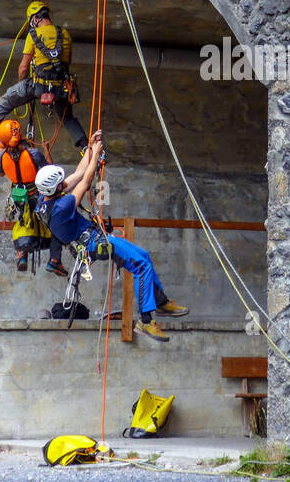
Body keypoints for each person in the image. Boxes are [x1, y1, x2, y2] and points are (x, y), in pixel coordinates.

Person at [33, 132, 187, 342]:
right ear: (56, 187)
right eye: (61, 184)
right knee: (141, 266)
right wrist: (96, 155)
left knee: (144, 256)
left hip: (90, 241)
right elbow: (85, 180)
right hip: (95, 244)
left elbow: (78, 173)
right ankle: (146, 321)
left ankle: (161, 302)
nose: (63, 184)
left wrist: (90, 147)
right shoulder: (62, 206)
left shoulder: (44, 200)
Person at [0, 0, 88, 157]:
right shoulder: (65, 34)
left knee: (4, 103)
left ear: (35, 18)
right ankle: (86, 148)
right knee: (68, 118)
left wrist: (21, 86)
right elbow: (67, 62)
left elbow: (24, 67)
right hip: (61, 88)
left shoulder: (34, 35)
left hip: (37, 86)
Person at [0, 119, 67, 277]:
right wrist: (46, 150)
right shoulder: (33, 153)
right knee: (54, 222)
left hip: (19, 197)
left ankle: (22, 257)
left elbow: (1, 173)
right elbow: (49, 171)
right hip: (37, 195)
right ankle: (55, 260)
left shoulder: (1, 157)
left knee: (25, 221)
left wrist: (1, 150)